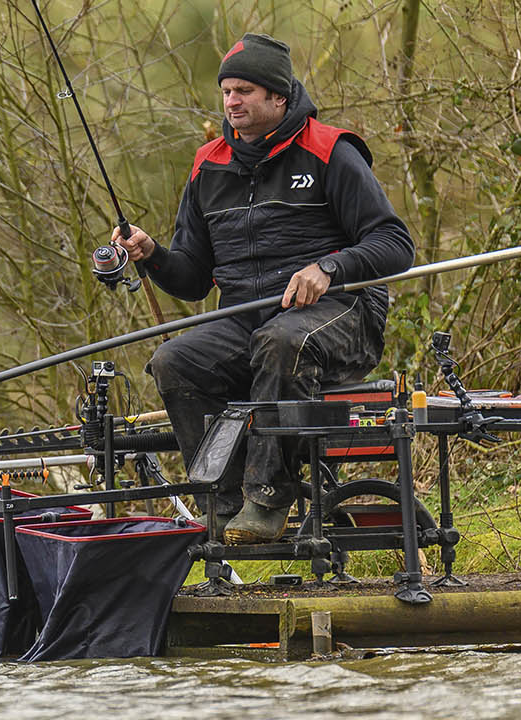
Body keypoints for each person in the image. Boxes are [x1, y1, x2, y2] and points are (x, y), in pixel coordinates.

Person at [111, 33, 413, 543]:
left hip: (340, 314)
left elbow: (394, 243)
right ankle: (223, 505)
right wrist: (153, 254)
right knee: (175, 361)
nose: (232, 102)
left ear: (279, 96)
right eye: (227, 91)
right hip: (244, 320)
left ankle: (268, 499)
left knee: (281, 343)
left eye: (244, 90)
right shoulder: (208, 166)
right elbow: (192, 278)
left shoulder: (330, 151)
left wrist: (330, 268)